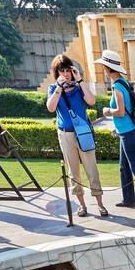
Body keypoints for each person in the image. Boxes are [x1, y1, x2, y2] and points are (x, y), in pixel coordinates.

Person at [47, 54, 106, 218]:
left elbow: (92, 101)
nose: (65, 74)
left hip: (83, 132)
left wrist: (80, 81)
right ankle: (82, 205)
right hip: (66, 134)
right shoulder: (53, 89)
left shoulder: (79, 87)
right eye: (62, 71)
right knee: (74, 172)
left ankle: (100, 204)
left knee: (91, 169)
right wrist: (59, 88)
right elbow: (51, 108)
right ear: (57, 72)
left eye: (68, 70)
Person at [98, 49, 135, 213]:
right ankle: (129, 198)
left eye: (104, 67)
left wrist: (107, 111)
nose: (103, 70)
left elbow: (121, 111)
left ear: (109, 68)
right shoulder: (124, 82)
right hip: (128, 131)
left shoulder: (117, 86)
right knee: (124, 167)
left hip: (128, 133)